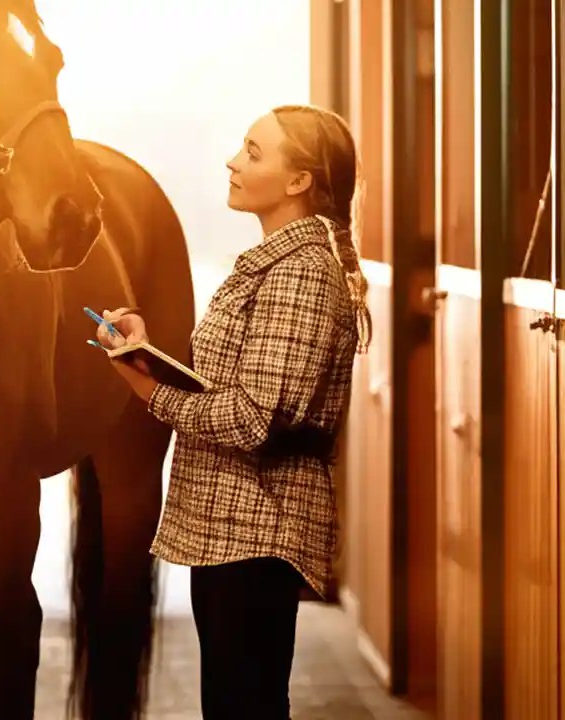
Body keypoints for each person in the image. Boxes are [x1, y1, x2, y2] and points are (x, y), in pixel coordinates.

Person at [95, 104, 372, 719]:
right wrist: (149, 352)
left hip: (258, 525)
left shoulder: (299, 275)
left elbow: (251, 418)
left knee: (245, 706)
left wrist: (149, 394)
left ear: (298, 181)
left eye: (253, 152)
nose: (233, 162)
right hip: (228, 526)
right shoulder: (274, 264)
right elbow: (233, 382)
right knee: (234, 703)